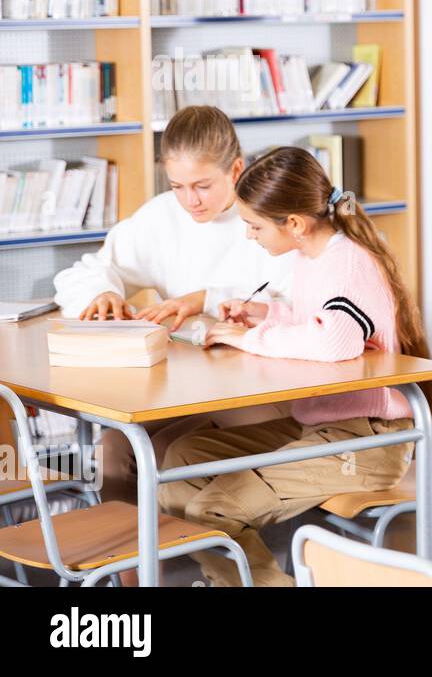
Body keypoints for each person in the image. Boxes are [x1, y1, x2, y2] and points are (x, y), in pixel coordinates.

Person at [159, 147, 432, 587]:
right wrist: (262, 315)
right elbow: (317, 322)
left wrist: (247, 338)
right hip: (323, 426)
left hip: (368, 444)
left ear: (294, 224)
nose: (249, 236)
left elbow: (336, 338)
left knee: (211, 509)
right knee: (183, 460)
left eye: (254, 226)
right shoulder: (311, 256)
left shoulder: (347, 263)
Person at [52, 105, 292, 504]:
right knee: (113, 450)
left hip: (259, 390)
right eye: (177, 186)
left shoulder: (267, 216)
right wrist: (103, 293)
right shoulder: (160, 217)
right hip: (189, 388)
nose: (189, 201)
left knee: (165, 454)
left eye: (202, 185)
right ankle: (130, 567)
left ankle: (191, 552)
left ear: (236, 170)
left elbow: (294, 302)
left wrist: (208, 299)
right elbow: (89, 270)